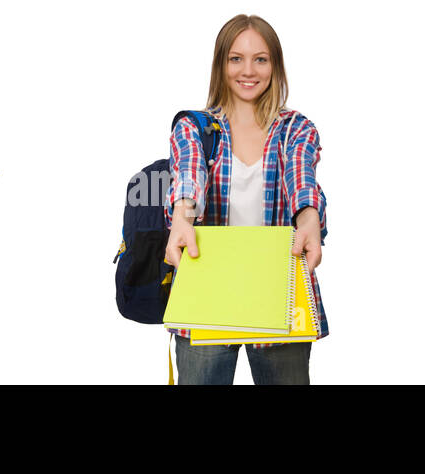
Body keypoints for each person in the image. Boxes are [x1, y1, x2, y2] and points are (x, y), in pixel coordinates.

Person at [163, 14, 328, 385]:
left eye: (261, 59)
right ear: (221, 65)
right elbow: (189, 175)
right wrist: (182, 218)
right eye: (236, 58)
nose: (248, 70)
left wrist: (309, 221)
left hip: (279, 293)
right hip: (205, 295)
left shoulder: (295, 129)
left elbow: (302, 179)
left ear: (275, 66)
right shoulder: (195, 127)